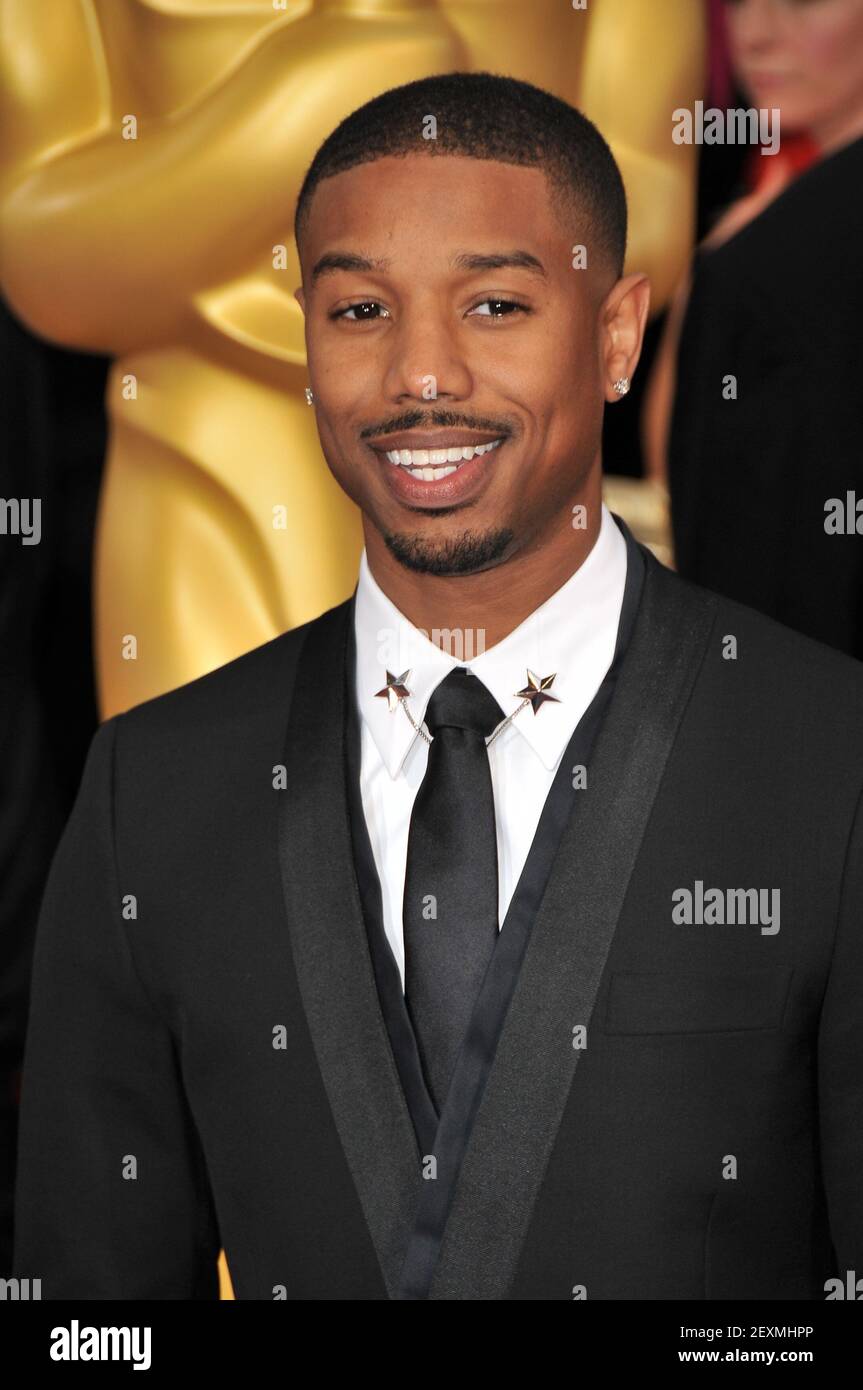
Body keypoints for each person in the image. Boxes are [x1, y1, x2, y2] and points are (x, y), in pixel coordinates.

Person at [12, 72, 863, 1301]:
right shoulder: (152, 792)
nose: (421, 375)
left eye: (495, 303)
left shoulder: (824, 758)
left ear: (617, 335)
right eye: (359, 309)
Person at [645, 0, 863, 658]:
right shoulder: (750, 227)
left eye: (801, 0)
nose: (757, 36)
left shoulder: (780, 255)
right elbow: (683, 468)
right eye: (737, 3)